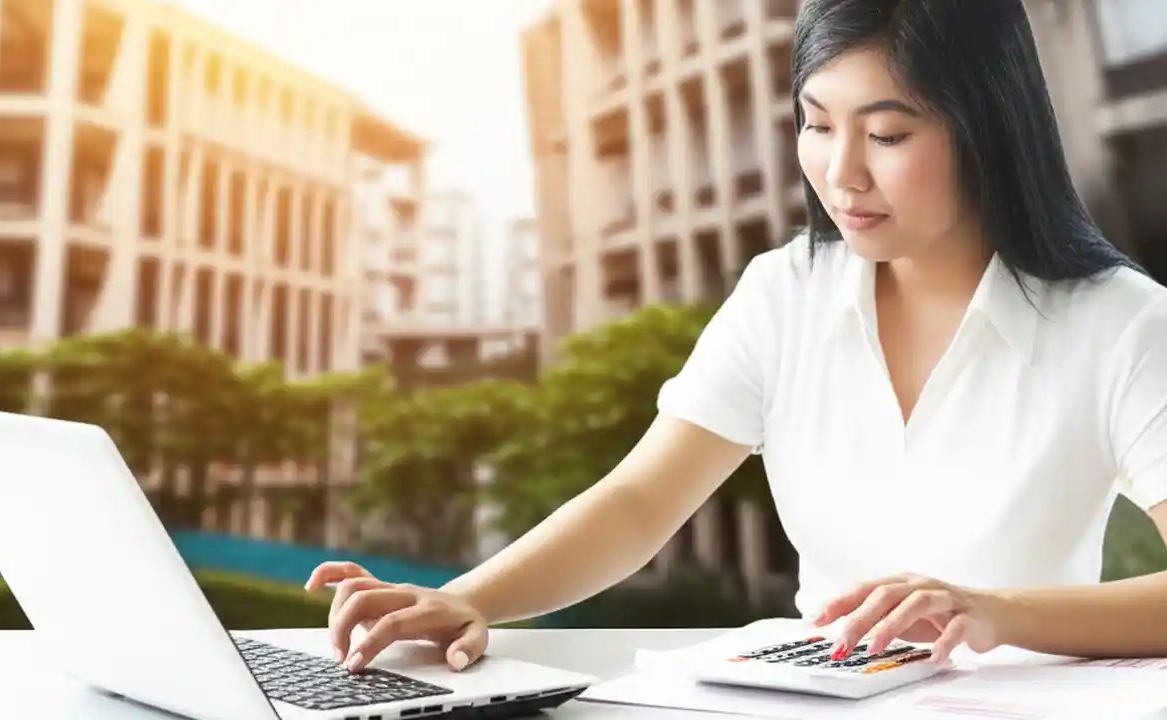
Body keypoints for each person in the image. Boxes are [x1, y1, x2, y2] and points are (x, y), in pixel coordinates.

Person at [307, 0, 1167, 674]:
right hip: (810, 699)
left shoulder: (1119, 322)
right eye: (818, 124)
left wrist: (993, 612)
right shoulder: (784, 293)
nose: (842, 172)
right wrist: (468, 599)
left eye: (889, 134)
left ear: (989, 127)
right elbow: (641, 502)